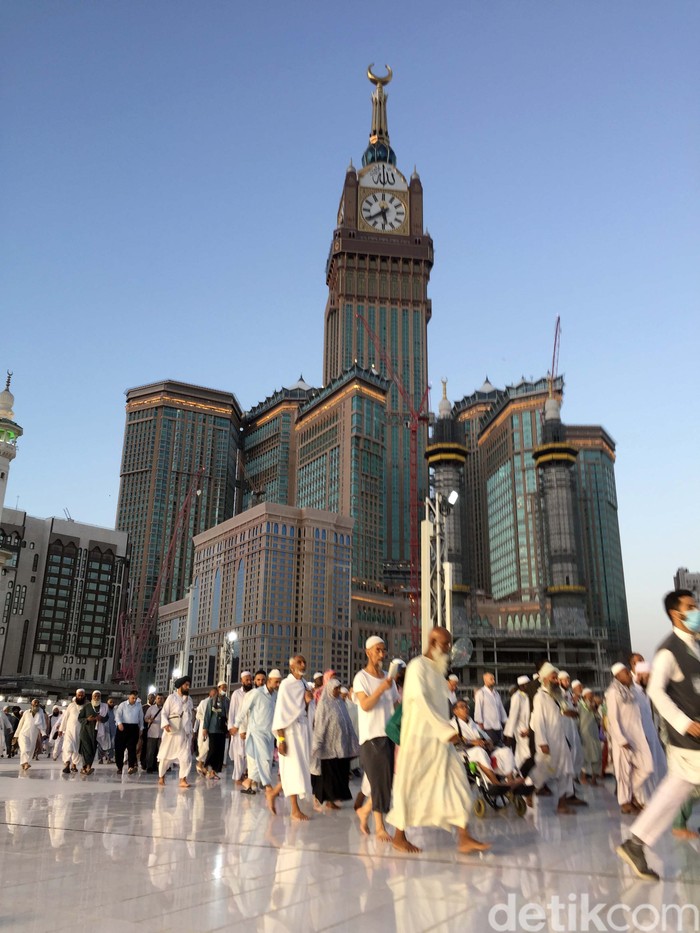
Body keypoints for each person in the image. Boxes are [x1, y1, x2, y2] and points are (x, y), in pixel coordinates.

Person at [617, 590, 700, 881]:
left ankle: (635, 843)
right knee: (675, 789)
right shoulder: (669, 650)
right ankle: (635, 842)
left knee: (674, 790)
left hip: (693, 741)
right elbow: (655, 691)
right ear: (674, 614)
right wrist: (684, 722)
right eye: (690, 607)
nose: (696, 610)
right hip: (690, 739)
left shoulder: (695, 645)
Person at [387, 626, 490, 854]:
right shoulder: (417, 667)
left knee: (458, 781)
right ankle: (399, 836)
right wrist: (446, 731)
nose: (448, 649)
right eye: (445, 645)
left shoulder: (436, 671)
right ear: (433, 643)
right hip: (419, 739)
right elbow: (420, 702)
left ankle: (464, 836)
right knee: (409, 786)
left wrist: (445, 731)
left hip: (440, 742)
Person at [353, 636, 399, 841]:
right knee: (380, 781)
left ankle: (365, 812)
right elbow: (365, 705)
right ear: (368, 652)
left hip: (389, 736)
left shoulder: (389, 680)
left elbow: (396, 707)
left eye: (383, 650)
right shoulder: (361, 678)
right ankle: (379, 826)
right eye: (378, 650)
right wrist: (381, 688)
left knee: (386, 782)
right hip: (372, 736)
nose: (382, 654)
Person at [531, 662, 585, 814]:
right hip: (547, 741)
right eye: (553, 678)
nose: (556, 681)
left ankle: (562, 804)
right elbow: (539, 720)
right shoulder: (539, 697)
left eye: (556, 678)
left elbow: (561, 712)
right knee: (540, 773)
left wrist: (569, 713)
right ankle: (524, 791)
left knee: (566, 771)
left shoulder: (555, 696)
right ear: (545, 679)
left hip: (561, 740)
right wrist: (542, 742)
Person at [605, 663, 653, 814]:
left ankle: (632, 794)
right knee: (623, 771)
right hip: (624, 738)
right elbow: (612, 717)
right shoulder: (613, 692)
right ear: (617, 676)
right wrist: (620, 739)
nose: (628, 674)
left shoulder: (632, 691)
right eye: (625, 672)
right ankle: (625, 802)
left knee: (647, 767)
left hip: (638, 736)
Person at [272, 655, 313, 821]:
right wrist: (281, 740)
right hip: (289, 733)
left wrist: (309, 701)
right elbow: (280, 713)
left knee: (300, 769)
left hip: (303, 731)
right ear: (291, 667)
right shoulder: (286, 685)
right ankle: (294, 809)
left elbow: (306, 707)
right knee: (293, 770)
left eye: (304, 662)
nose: (303, 665)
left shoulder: (303, 684)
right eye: (299, 662)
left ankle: (273, 793)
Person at [311, 677, 360, 809]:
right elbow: (320, 724)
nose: (338, 691)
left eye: (339, 688)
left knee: (340, 773)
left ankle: (334, 798)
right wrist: (317, 743)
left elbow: (347, 723)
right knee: (330, 775)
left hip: (341, 746)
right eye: (335, 688)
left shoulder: (340, 703)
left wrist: (353, 742)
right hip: (329, 747)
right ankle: (328, 801)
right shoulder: (324, 704)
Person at [237, 669, 282, 810]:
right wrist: (237, 726)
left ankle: (249, 781)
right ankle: (268, 787)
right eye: (276, 682)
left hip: (269, 734)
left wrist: (280, 737)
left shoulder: (275, 696)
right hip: (256, 732)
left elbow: (275, 716)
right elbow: (243, 710)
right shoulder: (255, 693)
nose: (278, 684)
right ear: (269, 680)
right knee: (262, 759)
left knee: (266, 759)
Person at [452, 698, 523, 786]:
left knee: (505, 751)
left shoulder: (473, 724)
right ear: (455, 711)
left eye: (466, 706)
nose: (465, 709)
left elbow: (487, 737)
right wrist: (473, 742)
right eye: (462, 707)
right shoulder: (452, 724)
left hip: (483, 750)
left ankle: (510, 779)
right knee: (479, 752)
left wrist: (489, 743)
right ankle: (496, 783)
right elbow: (455, 740)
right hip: (464, 752)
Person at [631, 659, 667, 799]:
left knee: (660, 766)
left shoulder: (645, 691)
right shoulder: (633, 691)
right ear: (639, 675)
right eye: (648, 676)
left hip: (651, 734)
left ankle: (652, 798)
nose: (650, 679)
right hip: (640, 737)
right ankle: (639, 799)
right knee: (644, 769)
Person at [158, 676, 194, 788]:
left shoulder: (190, 700)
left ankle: (183, 779)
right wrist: (165, 724)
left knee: (186, 756)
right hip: (172, 731)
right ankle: (161, 777)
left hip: (184, 732)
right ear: (180, 686)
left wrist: (191, 731)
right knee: (166, 756)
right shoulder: (171, 698)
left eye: (188, 685)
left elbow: (191, 715)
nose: (188, 687)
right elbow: (164, 713)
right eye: (186, 685)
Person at [228, 672, 253, 784]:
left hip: (251, 727)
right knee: (239, 754)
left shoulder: (254, 693)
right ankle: (237, 777)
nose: (249, 682)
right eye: (246, 680)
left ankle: (246, 775)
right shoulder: (236, 694)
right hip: (238, 728)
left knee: (249, 754)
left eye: (250, 680)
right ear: (242, 681)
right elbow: (232, 711)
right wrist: (232, 727)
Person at [558, 671, 584, 779]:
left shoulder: (569, 694)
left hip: (572, 726)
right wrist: (566, 712)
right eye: (565, 680)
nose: (568, 682)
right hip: (563, 727)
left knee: (576, 752)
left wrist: (575, 704)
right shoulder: (557, 693)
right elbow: (560, 710)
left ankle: (573, 780)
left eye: (568, 679)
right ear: (559, 681)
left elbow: (574, 710)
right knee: (565, 755)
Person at [202, 682, 229, 779]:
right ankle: (205, 766)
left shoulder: (226, 701)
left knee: (220, 751)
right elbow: (207, 715)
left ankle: (213, 771)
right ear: (218, 688)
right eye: (223, 688)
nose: (224, 689)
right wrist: (205, 728)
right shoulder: (212, 701)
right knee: (213, 749)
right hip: (213, 728)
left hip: (222, 729)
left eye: (226, 688)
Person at [503, 676, 532, 768]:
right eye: (528, 685)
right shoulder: (517, 696)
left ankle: (519, 770)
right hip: (520, 728)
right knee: (525, 751)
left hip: (527, 726)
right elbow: (513, 716)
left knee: (522, 751)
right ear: (522, 686)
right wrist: (509, 734)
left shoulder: (526, 696)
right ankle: (522, 771)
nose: (529, 687)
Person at [115, 690, 144, 775]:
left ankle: (131, 766)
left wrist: (141, 728)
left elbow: (140, 717)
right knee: (120, 748)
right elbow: (118, 715)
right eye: (133, 698)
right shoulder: (122, 705)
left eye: (136, 698)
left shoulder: (139, 706)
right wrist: (119, 723)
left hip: (133, 728)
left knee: (132, 748)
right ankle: (119, 767)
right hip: (123, 727)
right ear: (129, 697)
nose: (134, 700)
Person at [474, 672, 507, 744]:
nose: (493, 681)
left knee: (499, 745)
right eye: (491, 679)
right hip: (487, 726)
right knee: (492, 746)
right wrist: (479, 722)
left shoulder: (496, 693)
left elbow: (501, 708)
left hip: (498, 725)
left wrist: (505, 720)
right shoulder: (481, 693)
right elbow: (478, 708)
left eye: (494, 679)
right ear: (485, 680)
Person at [578, 688, 602, 785]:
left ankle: (594, 779)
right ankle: (583, 778)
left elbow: (598, 719)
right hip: (584, 735)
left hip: (594, 735)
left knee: (597, 757)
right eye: (589, 695)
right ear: (584, 696)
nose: (592, 697)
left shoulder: (594, 707)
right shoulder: (580, 706)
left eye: (592, 695)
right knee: (586, 758)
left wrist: (596, 708)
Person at [78, 691, 105, 775]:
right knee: (86, 749)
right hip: (85, 731)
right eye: (95, 696)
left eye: (98, 696)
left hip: (96, 732)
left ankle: (86, 767)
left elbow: (106, 717)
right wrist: (87, 719)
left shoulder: (103, 707)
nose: (96, 698)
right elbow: (80, 718)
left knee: (93, 749)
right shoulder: (87, 706)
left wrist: (101, 718)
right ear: (92, 697)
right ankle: (87, 767)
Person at [15, 700, 46, 771]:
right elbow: (20, 724)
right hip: (23, 733)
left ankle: (24, 763)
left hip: (33, 735)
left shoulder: (40, 715)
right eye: (35, 702)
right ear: (31, 704)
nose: (36, 704)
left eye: (38, 703)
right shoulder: (26, 713)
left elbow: (42, 725)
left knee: (30, 750)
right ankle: (26, 763)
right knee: (25, 748)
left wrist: (44, 733)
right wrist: (16, 735)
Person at [60, 689, 86, 774]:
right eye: (79, 695)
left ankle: (74, 764)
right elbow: (65, 718)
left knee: (77, 748)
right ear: (76, 695)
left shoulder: (87, 706)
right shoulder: (71, 705)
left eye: (82, 695)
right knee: (68, 747)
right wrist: (61, 729)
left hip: (81, 731)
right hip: (69, 731)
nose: (80, 697)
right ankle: (67, 764)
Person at [195, 688, 217, 776]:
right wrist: (206, 719)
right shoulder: (203, 702)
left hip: (213, 728)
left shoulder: (217, 703)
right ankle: (200, 763)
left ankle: (205, 767)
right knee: (204, 745)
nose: (215, 694)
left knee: (210, 747)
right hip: (204, 726)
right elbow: (198, 714)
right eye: (214, 693)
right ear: (210, 693)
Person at [144, 693, 165, 773]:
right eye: (158, 698)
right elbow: (145, 718)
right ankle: (149, 767)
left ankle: (160, 767)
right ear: (156, 699)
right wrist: (149, 720)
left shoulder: (165, 709)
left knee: (161, 752)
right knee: (150, 751)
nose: (160, 700)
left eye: (161, 698)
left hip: (162, 734)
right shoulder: (151, 708)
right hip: (152, 733)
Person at [98, 697, 116, 764]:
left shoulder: (115, 710)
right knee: (101, 744)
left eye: (113, 702)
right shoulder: (104, 710)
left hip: (113, 730)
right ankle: (100, 759)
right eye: (110, 702)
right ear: (107, 703)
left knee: (111, 744)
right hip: (104, 729)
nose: (112, 703)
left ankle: (109, 758)